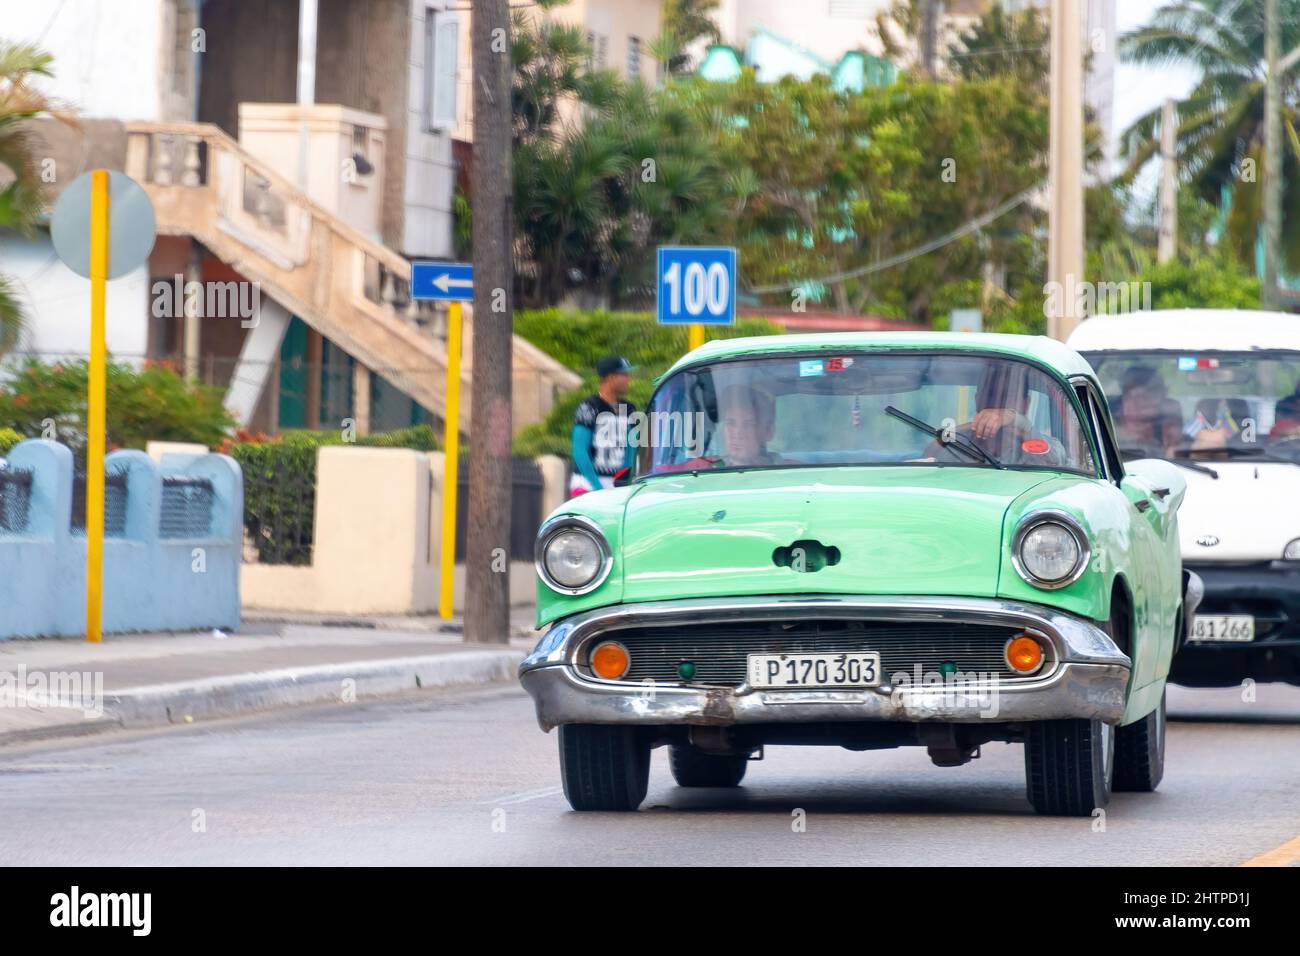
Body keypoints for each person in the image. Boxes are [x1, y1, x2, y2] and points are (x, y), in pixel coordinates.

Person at [569, 355, 636, 496]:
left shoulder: (629, 409)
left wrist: (624, 482)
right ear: (610, 377)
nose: (629, 379)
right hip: (587, 483)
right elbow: (579, 451)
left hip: (616, 485)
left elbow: (631, 450)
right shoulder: (589, 407)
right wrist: (597, 487)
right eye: (624, 374)